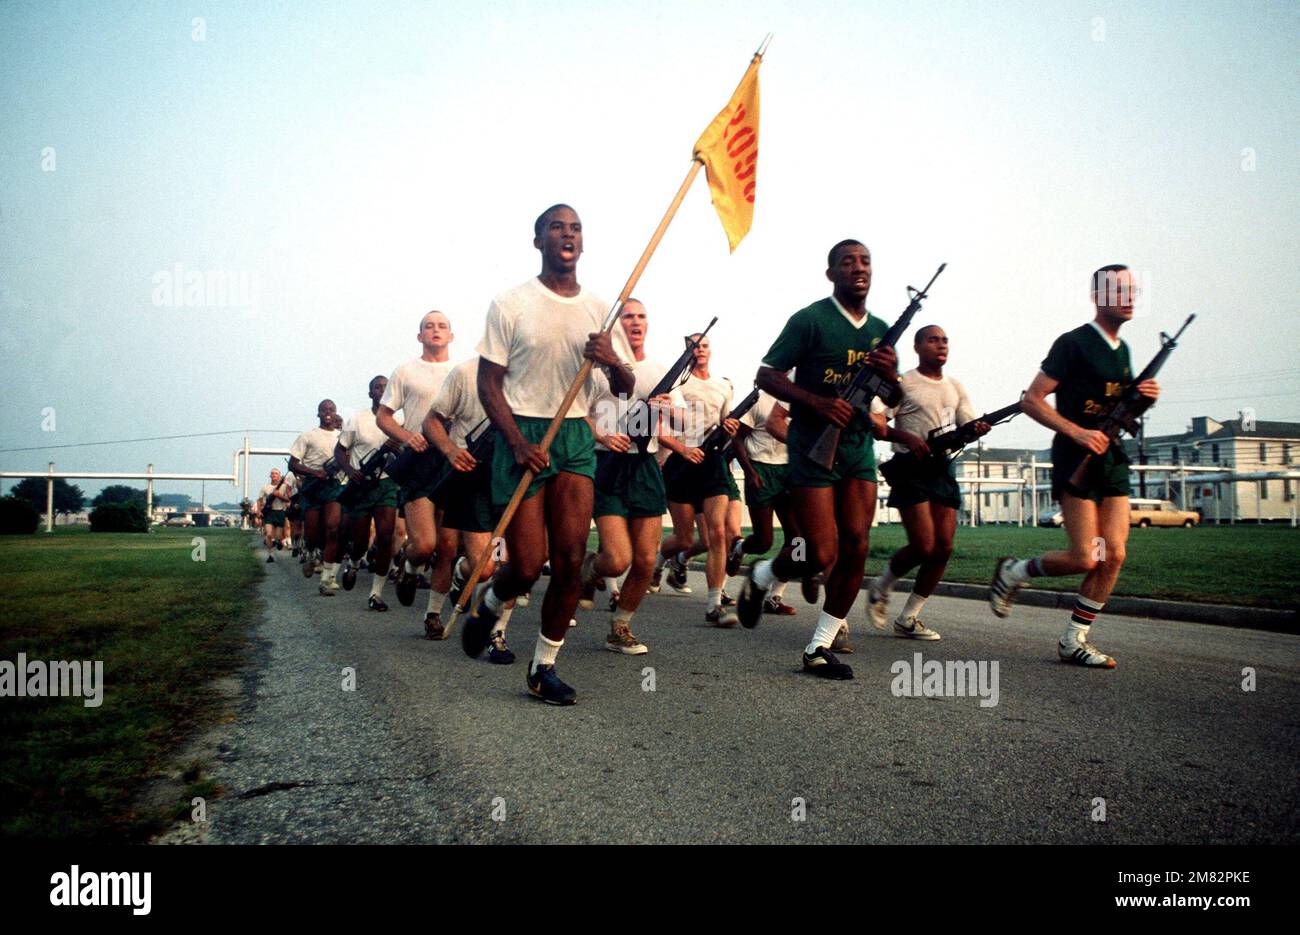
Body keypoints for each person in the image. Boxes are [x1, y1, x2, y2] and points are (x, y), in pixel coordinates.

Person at [463, 203, 634, 705]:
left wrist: (610, 360)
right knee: (526, 563)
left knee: (569, 559)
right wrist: (515, 441)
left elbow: (624, 390)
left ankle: (543, 667)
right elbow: (487, 381)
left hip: (576, 434)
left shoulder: (601, 310)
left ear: (583, 243)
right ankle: (490, 600)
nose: (567, 234)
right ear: (538, 241)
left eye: (575, 228)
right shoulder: (510, 302)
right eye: (556, 227)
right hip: (523, 435)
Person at [737, 239, 898, 680]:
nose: (858, 268)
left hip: (858, 448)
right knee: (817, 551)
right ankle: (765, 573)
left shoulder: (883, 329)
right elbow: (766, 374)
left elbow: (894, 397)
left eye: (865, 260)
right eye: (848, 262)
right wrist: (817, 403)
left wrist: (889, 374)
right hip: (813, 445)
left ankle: (819, 646)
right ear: (832, 274)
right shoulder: (810, 320)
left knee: (857, 545)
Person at [988, 265, 1158, 668]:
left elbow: (1116, 407)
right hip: (1077, 458)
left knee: (1113, 555)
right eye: (1119, 290)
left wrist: (1144, 399)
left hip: (1112, 459)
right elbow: (1031, 399)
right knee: (1086, 557)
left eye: (1133, 289)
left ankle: (1074, 640)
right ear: (1098, 297)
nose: (1130, 296)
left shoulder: (1124, 351)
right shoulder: (1074, 343)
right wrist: (1077, 432)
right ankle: (1015, 570)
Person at [867, 325, 990, 640]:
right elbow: (877, 422)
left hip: (942, 468)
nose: (941, 345)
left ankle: (908, 618)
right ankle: (882, 585)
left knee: (943, 548)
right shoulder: (904, 383)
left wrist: (976, 429)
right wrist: (905, 436)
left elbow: (965, 424)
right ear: (918, 347)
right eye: (933, 340)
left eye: (945, 340)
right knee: (923, 545)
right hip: (910, 468)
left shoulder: (955, 387)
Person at [579, 298, 684, 654]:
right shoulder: (595, 369)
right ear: (615, 325)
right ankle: (592, 567)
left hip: (645, 465)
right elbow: (579, 414)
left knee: (644, 559)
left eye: (641, 316)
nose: (635, 322)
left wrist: (669, 411)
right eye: (627, 316)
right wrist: (603, 435)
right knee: (619, 558)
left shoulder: (660, 371)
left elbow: (689, 425)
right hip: (607, 464)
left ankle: (620, 625)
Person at [423, 356, 517, 663]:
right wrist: (450, 450)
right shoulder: (466, 372)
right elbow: (432, 420)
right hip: (473, 476)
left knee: (511, 564)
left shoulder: (532, 370)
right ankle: (462, 574)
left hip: (514, 474)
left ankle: (496, 634)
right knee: (485, 567)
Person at [654, 335, 740, 626]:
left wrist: (730, 427)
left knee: (716, 534)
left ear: (710, 350)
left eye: (703, 345)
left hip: (712, 462)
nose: (699, 350)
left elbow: (728, 423)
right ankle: (658, 563)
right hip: (680, 462)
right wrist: (682, 450)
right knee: (684, 538)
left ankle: (714, 604)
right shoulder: (676, 385)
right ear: (686, 352)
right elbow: (660, 431)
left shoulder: (723, 385)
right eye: (693, 346)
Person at [376, 311, 456, 612]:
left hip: (452, 460)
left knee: (448, 546)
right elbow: (383, 416)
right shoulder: (406, 371)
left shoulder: (462, 371)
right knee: (424, 545)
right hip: (420, 460)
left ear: (451, 336)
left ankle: (433, 614)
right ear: (420, 335)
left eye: (442, 326)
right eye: (428, 326)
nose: (435, 330)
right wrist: (407, 436)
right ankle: (409, 570)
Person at [729, 390, 798, 615]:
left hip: (788, 471)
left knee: (798, 539)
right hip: (761, 469)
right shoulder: (759, 401)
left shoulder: (799, 397)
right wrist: (749, 472)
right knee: (764, 541)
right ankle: (738, 547)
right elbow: (737, 438)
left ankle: (775, 596)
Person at [335, 376, 402, 612]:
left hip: (387, 484)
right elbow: (340, 450)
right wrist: (350, 471)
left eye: (386, 388)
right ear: (370, 393)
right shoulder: (357, 418)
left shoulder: (399, 419)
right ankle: (353, 562)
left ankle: (376, 594)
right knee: (361, 541)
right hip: (362, 484)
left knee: (385, 538)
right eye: (377, 387)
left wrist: (399, 448)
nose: (382, 391)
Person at [288, 400, 343, 592]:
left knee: (333, 528)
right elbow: (293, 464)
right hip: (312, 486)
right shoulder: (308, 436)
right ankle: (311, 552)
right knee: (312, 533)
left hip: (334, 485)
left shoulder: (342, 437)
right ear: (318, 413)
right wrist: (313, 472)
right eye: (324, 410)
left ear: (336, 414)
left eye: (332, 410)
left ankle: (327, 577)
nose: (328, 413)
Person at [256, 468, 294, 562]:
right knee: (269, 534)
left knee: (277, 537)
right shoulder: (265, 487)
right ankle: (271, 555)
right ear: (270, 476)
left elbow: (289, 499)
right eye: (272, 473)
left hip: (280, 512)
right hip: (269, 513)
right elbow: (260, 499)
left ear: (279, 476)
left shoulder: (285, 487)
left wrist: (279, 495)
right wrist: (259, 510)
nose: (274, 475)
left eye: (276, 474)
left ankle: (279, 542)